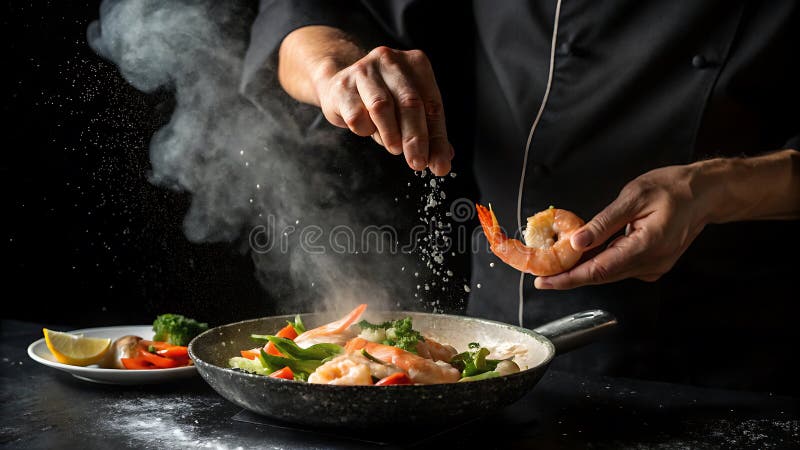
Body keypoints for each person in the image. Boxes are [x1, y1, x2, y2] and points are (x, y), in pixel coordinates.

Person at [240, 1, 800, 393]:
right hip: (508, 338)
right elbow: (308, 10)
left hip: (733, 350)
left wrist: (716, 188)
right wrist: (335, 69)